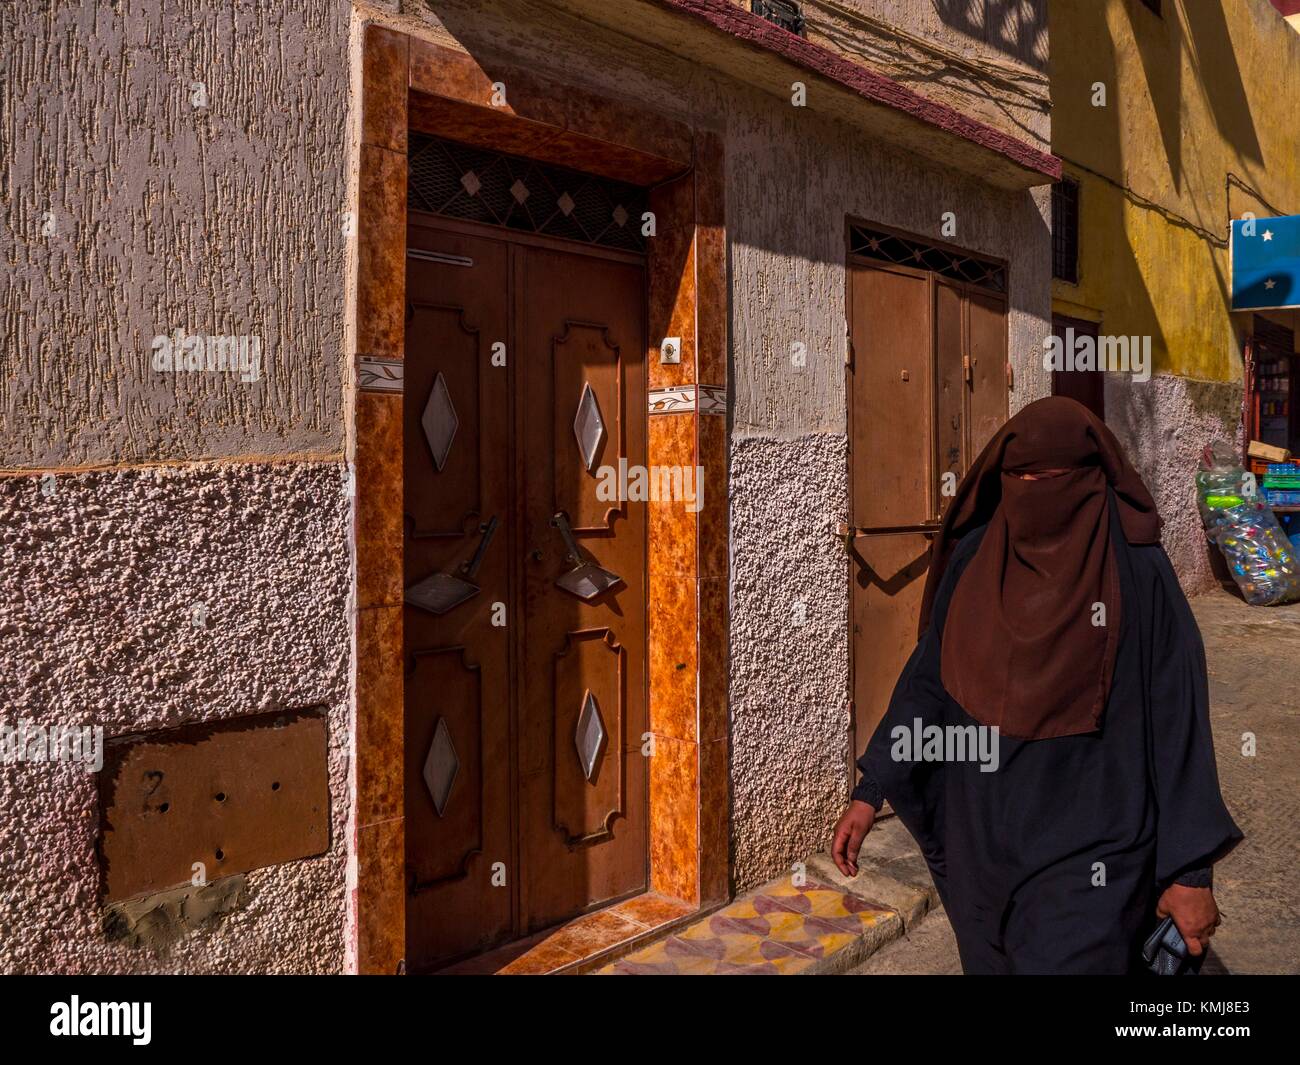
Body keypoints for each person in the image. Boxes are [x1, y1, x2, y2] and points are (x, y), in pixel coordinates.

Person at [831, 396, 1242, 974]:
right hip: (985, 844)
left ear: (1092, 481)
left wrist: (1189, 871)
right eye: (1018, 479)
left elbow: (1178, 720)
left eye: (1050, 480)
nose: (1033, 493)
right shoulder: (977, 562)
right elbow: (928, 679)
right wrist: (872, 788)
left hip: (1094, 853)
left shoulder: (1137, 572)